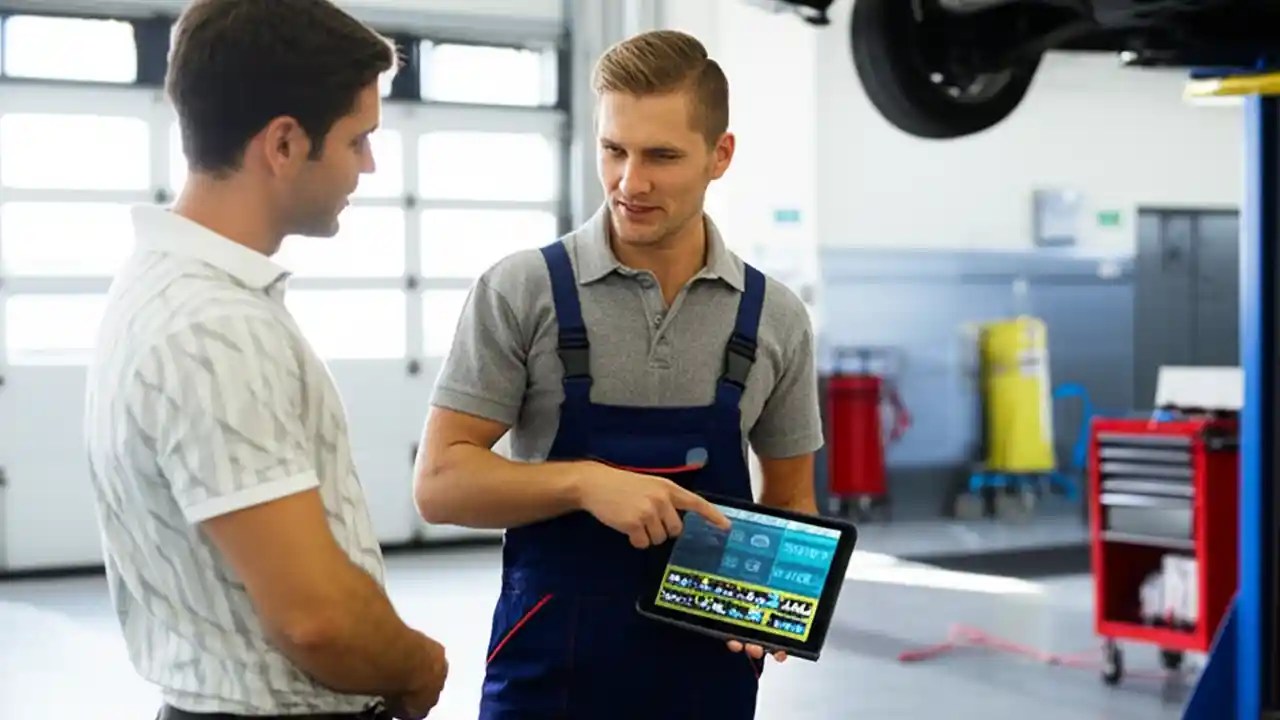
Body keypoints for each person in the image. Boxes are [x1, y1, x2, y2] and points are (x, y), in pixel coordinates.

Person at [413, 29, 824, 720]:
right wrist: (584, 483)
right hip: (547, 675)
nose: (630, 183)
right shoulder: (522, 291)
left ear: (720, 156)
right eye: (614, 150)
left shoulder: (775, 318)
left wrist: (770, 606)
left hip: (706, 685)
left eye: (662, 156)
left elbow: (791, 500)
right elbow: (440, 486)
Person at [82, 2, 448, 718]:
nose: (368, 165)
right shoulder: (212, 329)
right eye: (356, 140)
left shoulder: (166, 288)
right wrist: (416, 664)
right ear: (283, 143)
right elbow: (317, 618)